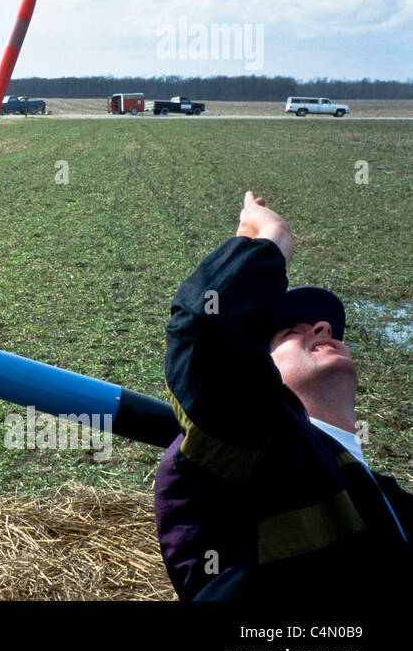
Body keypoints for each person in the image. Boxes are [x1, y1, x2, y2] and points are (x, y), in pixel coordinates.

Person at [155, 191, 413, 600]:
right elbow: (206, 330)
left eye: (322, 328)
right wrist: (271, 238)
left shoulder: (388, 498)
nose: (323, 328)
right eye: (292, 331)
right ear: (256, 371)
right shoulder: (261, 446)